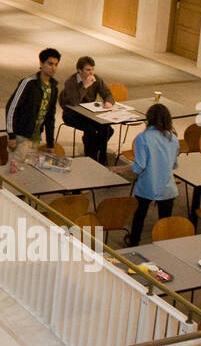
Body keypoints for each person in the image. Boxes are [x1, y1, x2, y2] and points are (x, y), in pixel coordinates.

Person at [123, 102, 180, 245]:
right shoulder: (173, 138)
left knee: (139, 216)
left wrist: (120, 169)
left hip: (147, 186)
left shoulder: (143, 138)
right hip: (168, 187)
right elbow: (174, 164)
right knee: (165, 221)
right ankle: (164, 245)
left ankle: (134, 242)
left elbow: (139, 167)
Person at [5, 48, 61, 162]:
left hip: (35, 137)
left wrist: (50, 144)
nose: (53, 68)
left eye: (56, 64)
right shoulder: (28, 83)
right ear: (41, 63)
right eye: (50, 64)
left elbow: (50, 117)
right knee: (14, 172)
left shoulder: (53, 88)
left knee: (29, 174)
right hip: (21, 137)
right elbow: (11, 107)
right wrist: (11, 135)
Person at [59, 55, 116, 163]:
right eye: (88, 70)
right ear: (79, 70)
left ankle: (99, 156)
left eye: (92, 69)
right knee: (90, 131)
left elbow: (107, 93)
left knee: (107, 129)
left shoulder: (96, 79)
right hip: (72, 115)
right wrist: (84, 86)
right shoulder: (71, 82)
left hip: (89, 114)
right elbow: (74, 102)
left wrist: (108, 101)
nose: (91, 73)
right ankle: (92, 158)